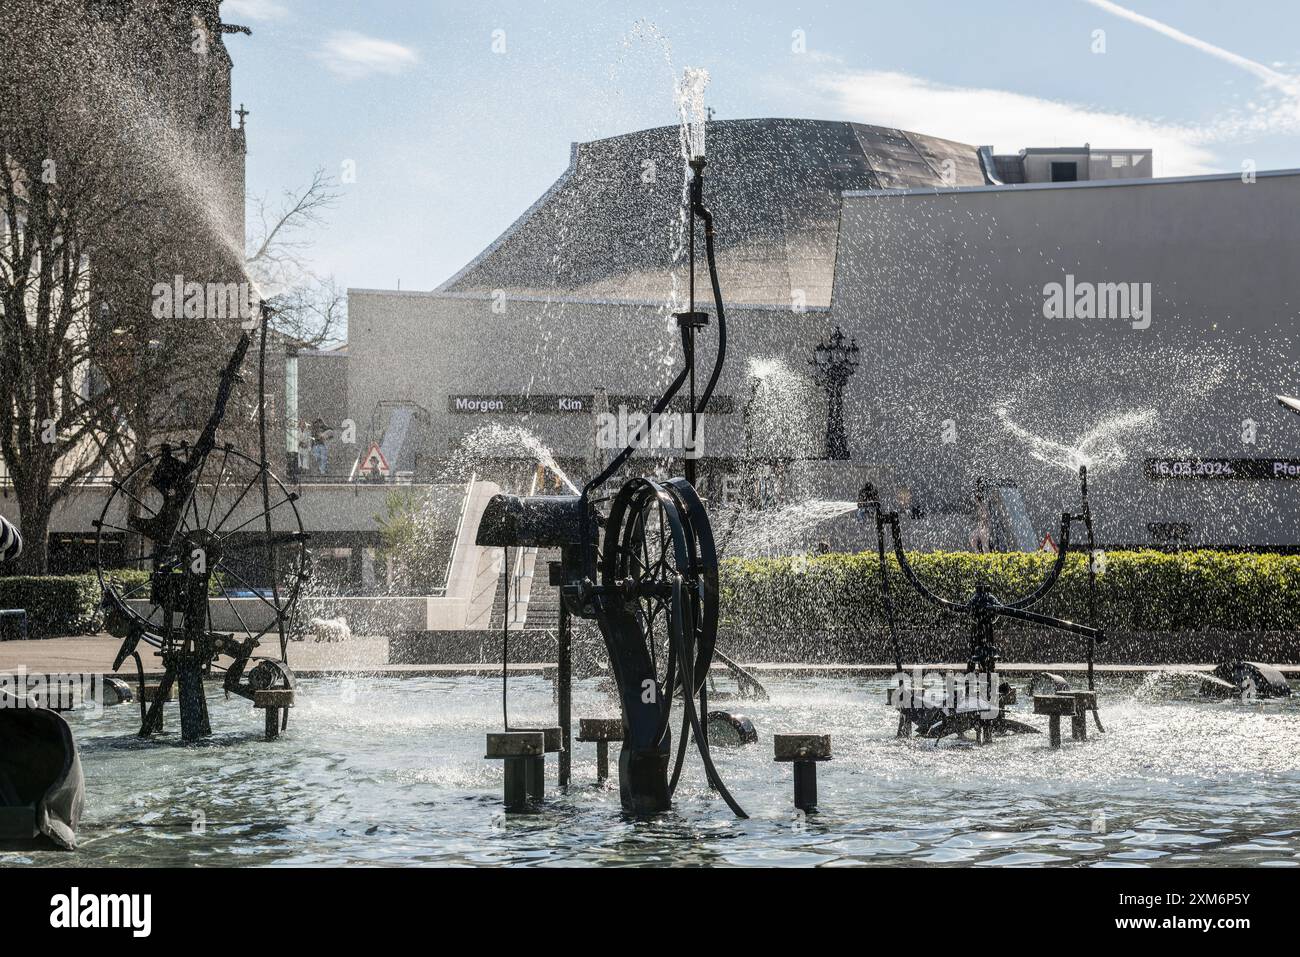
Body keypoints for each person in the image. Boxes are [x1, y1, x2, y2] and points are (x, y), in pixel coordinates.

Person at [969, 478, 991, 553]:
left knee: (985, 545)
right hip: (982, 527)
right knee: (972, 538)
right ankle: (978, 555)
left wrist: (984, 517)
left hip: (987, 527)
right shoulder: (980, 501)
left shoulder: (985, 500)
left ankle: (988, 557)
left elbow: (986, 515)